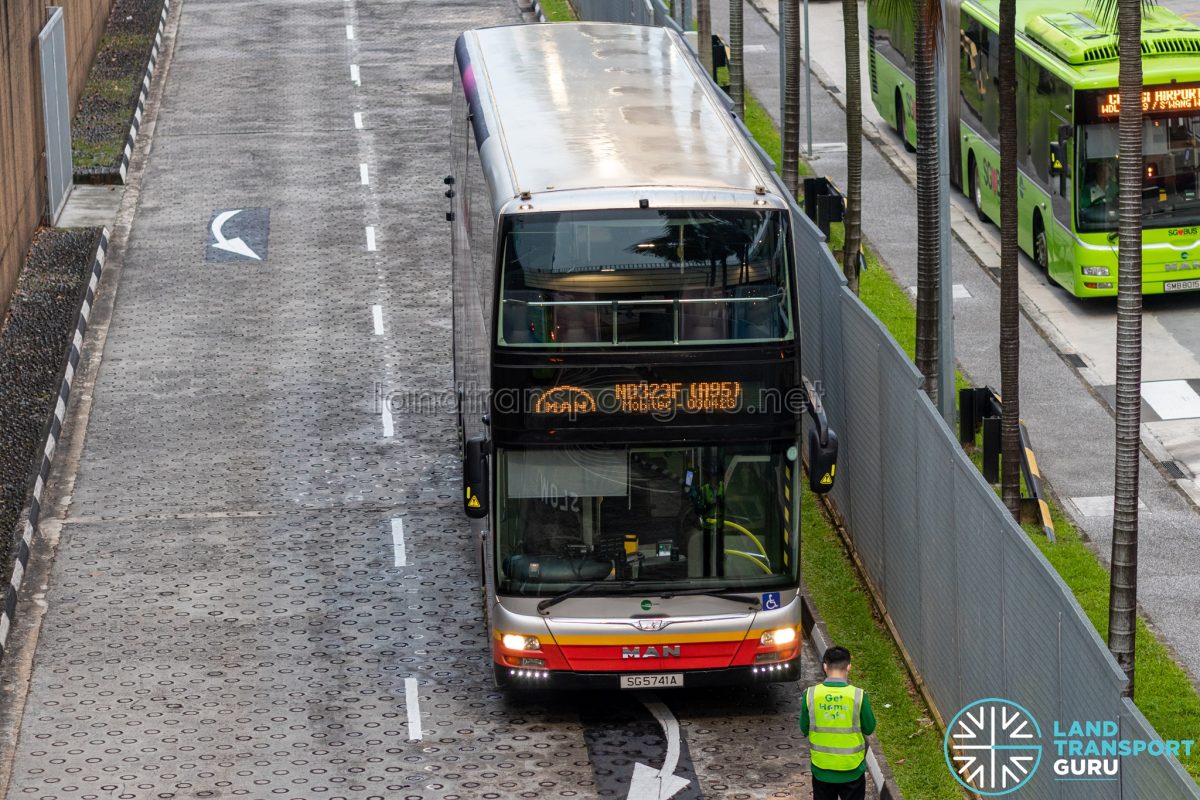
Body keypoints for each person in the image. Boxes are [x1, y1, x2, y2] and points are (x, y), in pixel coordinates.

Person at [800, 645, 877, 800]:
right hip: (852, 770)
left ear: (825, 666)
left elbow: (804, 728)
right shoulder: (858, 695)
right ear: (849, 667)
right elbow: (869, 728)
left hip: (821, 770)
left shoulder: (811, 694)